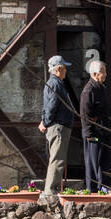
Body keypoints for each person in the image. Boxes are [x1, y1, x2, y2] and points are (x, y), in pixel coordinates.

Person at [39, 55, 79, 194]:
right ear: (59, 69)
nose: (66, 71)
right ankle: (50, 192)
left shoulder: (54, 83)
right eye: (64, 68)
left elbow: (48, 106)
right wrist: (45, 121)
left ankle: (52, 190)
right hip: (58, 127)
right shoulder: (55, 83)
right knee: (57, 160)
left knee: (57, 159)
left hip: (57, 125)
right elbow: (52, 105)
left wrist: (44, 121)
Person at [80, 59, 110, 193]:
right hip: (93, 133)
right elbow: (85, 116)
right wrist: (89, 135)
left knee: (101, 160)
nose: (106, 74)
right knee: (92, 161)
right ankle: (92, 188)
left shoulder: (101, 88)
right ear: (95, 74)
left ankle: (101, 185)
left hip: (102, 130)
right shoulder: (89, 91)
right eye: (103, 72)